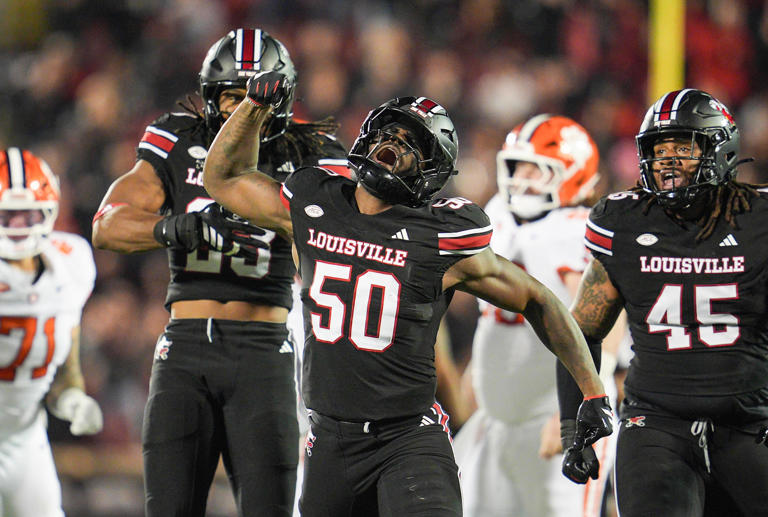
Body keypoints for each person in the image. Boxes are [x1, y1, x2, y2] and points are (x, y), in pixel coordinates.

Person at [202, 74, 613, 516]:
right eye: (390, 131)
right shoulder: (315, 203)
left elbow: (539, 300)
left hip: (407, 439)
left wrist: (592, 392)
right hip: (329, 439)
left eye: (412, 142)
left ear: (430, 170)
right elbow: (223, 177)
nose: (394, 145)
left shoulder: (438, 237)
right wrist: (253, 107)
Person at [91, 28, 346, 517]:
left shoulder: (313, 155)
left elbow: (352, 243)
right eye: (232, 96)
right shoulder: (179, 139)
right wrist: (179, 227)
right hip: (186, 346)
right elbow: (107, 225)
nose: (240, 110)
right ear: (210, 98)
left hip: (266, 349)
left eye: (253, 97)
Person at [557, 88, 768, 516]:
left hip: (749, 423)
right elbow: (580, 332)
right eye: (659, 148)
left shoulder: (758, 218)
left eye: (683, 147)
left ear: (719, 149)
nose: (668, 159)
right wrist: (572, 425)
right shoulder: (624, 221)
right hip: (655, 424)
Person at [452, 114, 621, 517]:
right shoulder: (498, 213)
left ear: (574, 174)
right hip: (498, 421)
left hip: (551, 415)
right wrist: (479, 372)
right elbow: (495, 315)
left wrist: (572, 411)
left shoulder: (574, 228)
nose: (521, 178)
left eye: (536, 169)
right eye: (516, 166)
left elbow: (606, 327)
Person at [0, 147, 102, 517]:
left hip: (25, 438)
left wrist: (71, 398)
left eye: (27, 214)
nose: (18, 227)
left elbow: (65, 364)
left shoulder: (71, 262)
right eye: (7, 216)